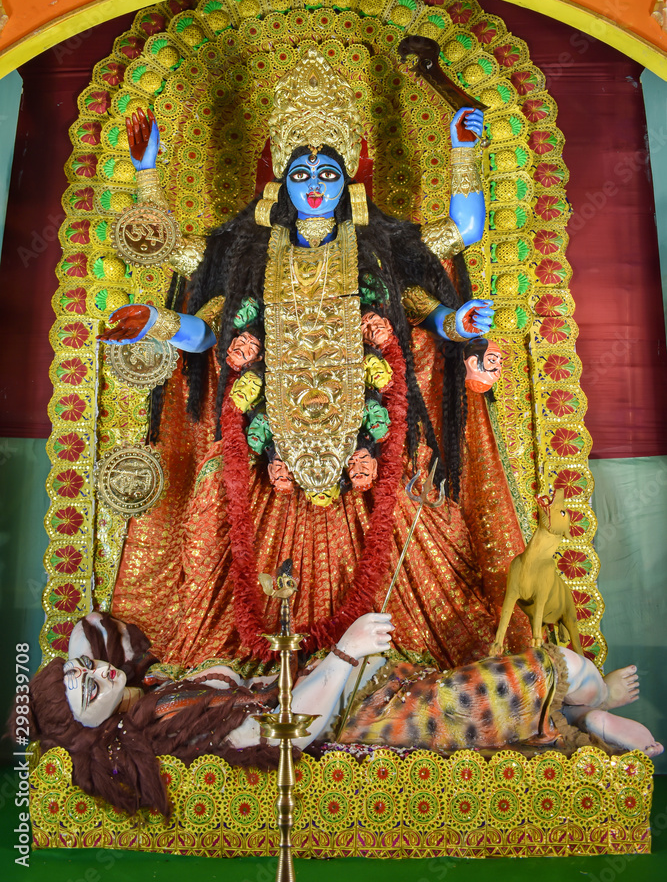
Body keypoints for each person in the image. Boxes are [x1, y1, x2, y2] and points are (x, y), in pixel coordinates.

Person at [99, 49, 531, 671]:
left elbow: (459, 235)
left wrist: (463, 154)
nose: (314, 188)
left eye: (327, 174)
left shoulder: (379, 241)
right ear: (281, 178)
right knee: (220, 545)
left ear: (347, 177)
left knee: (425, 555)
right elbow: (206, 334)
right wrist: (154, 320)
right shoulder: (248, 246)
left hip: (371, 449)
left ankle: (379, 674)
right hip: (265, 453)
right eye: (301, 175)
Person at [16, 611, 661, 817]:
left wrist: (340, 664)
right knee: (565, 668)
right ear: (86, 728)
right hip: (360, 721)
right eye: (81, 686)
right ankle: (591, 710)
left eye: (81, 668)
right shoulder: (161, 730)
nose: (96, 674)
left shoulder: (147, 695)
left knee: (516, 690)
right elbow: (281, 733)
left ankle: (576, 719)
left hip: (366, 689)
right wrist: (345, 657)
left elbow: (105, 645)